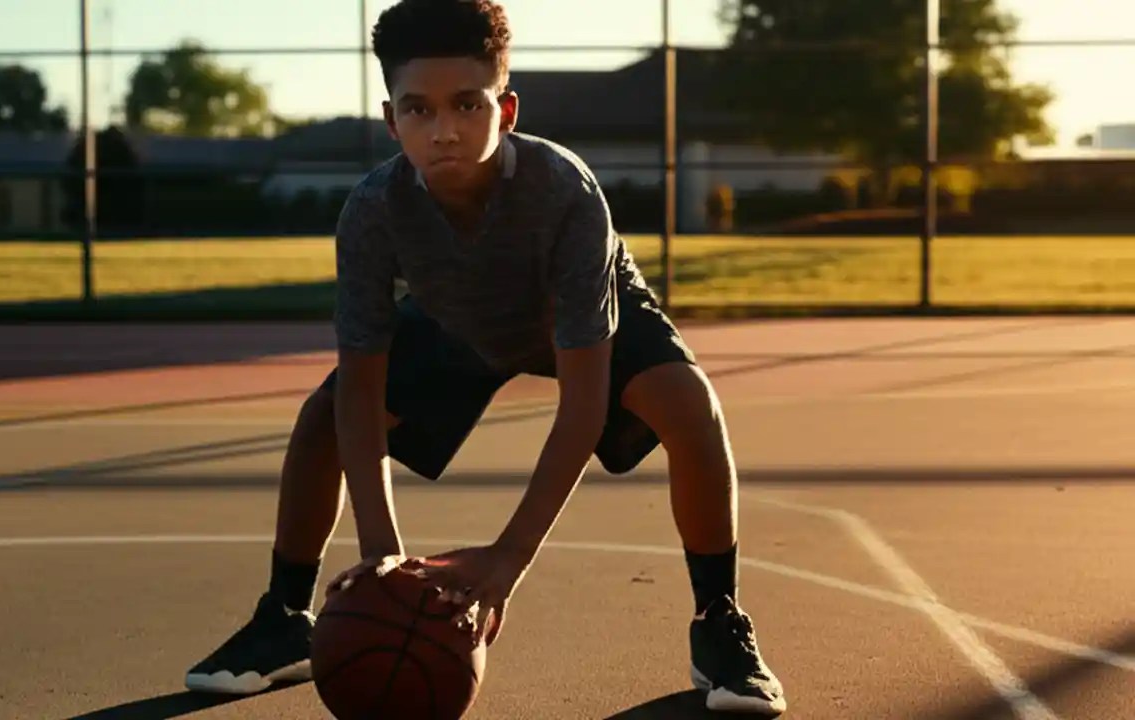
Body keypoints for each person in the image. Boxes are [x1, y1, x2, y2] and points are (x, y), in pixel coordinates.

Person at [185, 0, 785, 713]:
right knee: (323, 419)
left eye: (467, 104)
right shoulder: (374, 210)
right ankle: (285, 620)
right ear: (391, 120)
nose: (443, 129)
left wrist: (510, 557)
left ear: (505, 110)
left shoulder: (562, 191)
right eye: (419, 110)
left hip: (573, 313)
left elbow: (582, 405)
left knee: (690, 407)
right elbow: (359, 388)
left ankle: (718, 621)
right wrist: (382, 553)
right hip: (458, 317)